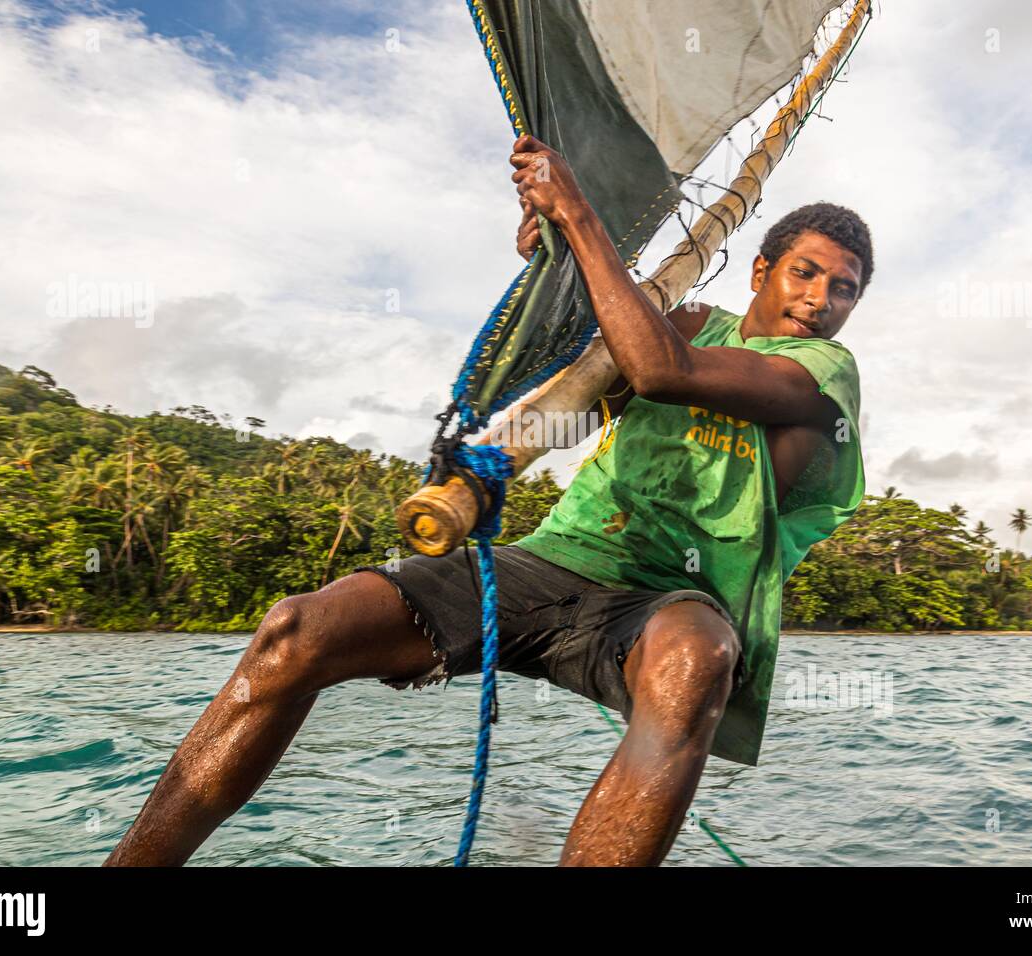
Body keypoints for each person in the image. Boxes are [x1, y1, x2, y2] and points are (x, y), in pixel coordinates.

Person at [105, 133, 870, 867]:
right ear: (760, 269)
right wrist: (559, 263)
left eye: (843, 288)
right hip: (557, 560)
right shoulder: (693, 321)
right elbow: (589, 363)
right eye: (803, 272)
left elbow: (661, 370)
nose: (819, 299)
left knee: (695, 660)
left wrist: (580, 217)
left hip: (675, 595)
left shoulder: (823, 371)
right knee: (295, 632)